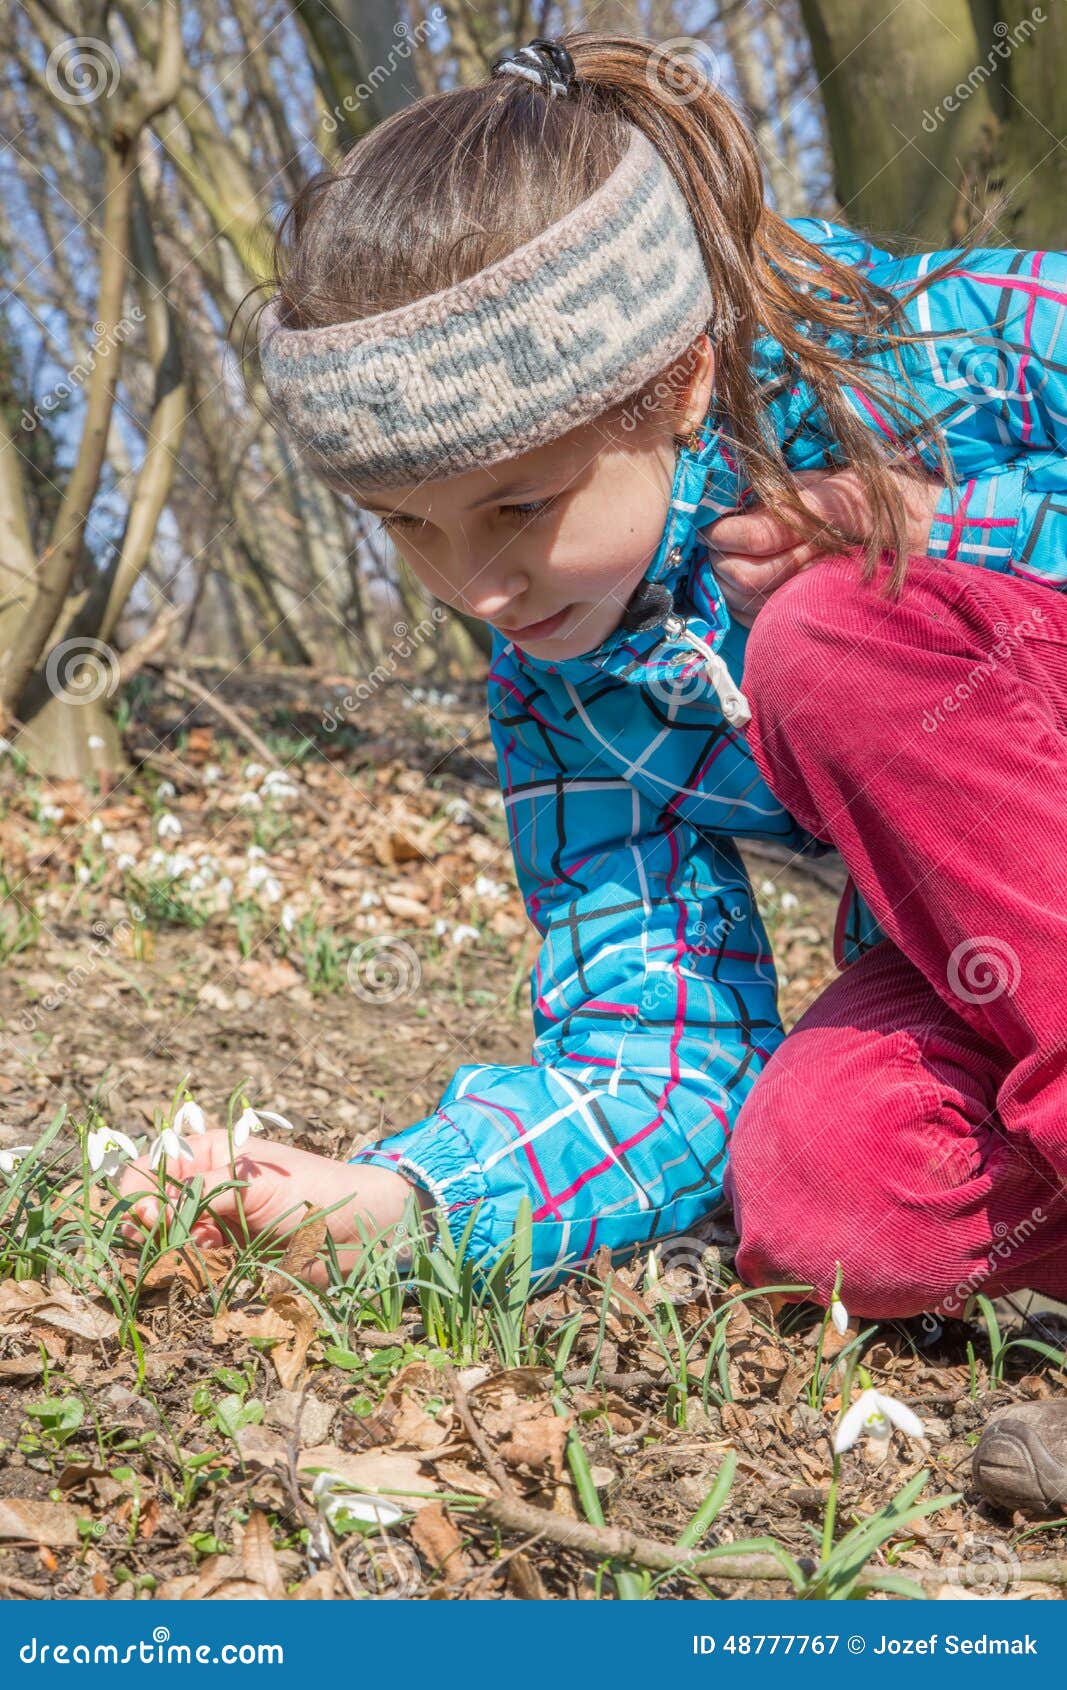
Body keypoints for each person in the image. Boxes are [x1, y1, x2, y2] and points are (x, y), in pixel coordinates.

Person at [119, 33, 1067, 1516]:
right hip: (1016, 960)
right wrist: (408, 1200)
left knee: (830, 632)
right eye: (407, 526)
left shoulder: (918, 346)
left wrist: (951, 532)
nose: (474, 584)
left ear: (679, 379)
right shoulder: (571, 687)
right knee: (823, 1185)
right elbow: (657, 1048)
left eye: (517, 505)